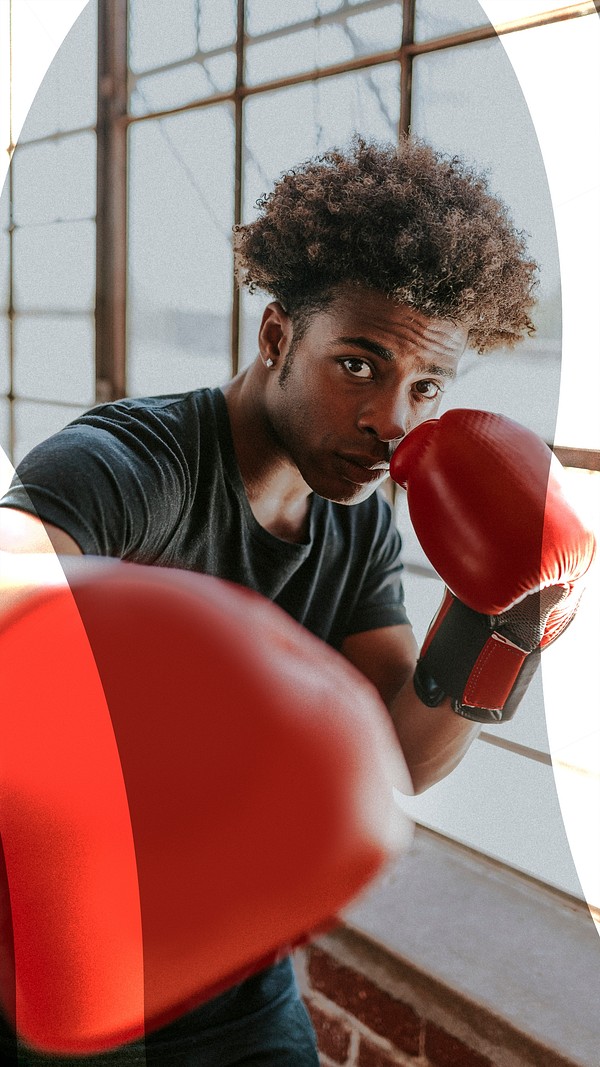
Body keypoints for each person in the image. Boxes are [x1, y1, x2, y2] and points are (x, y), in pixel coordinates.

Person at [0, 137, 540, 1065]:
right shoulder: (132, 464)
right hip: (53, 958)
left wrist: (503, 624)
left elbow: (401, 759)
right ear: (279, 335)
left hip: (232, 977)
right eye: (361, 365)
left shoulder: (357, 520)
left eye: (426, 386)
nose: (391, 423)